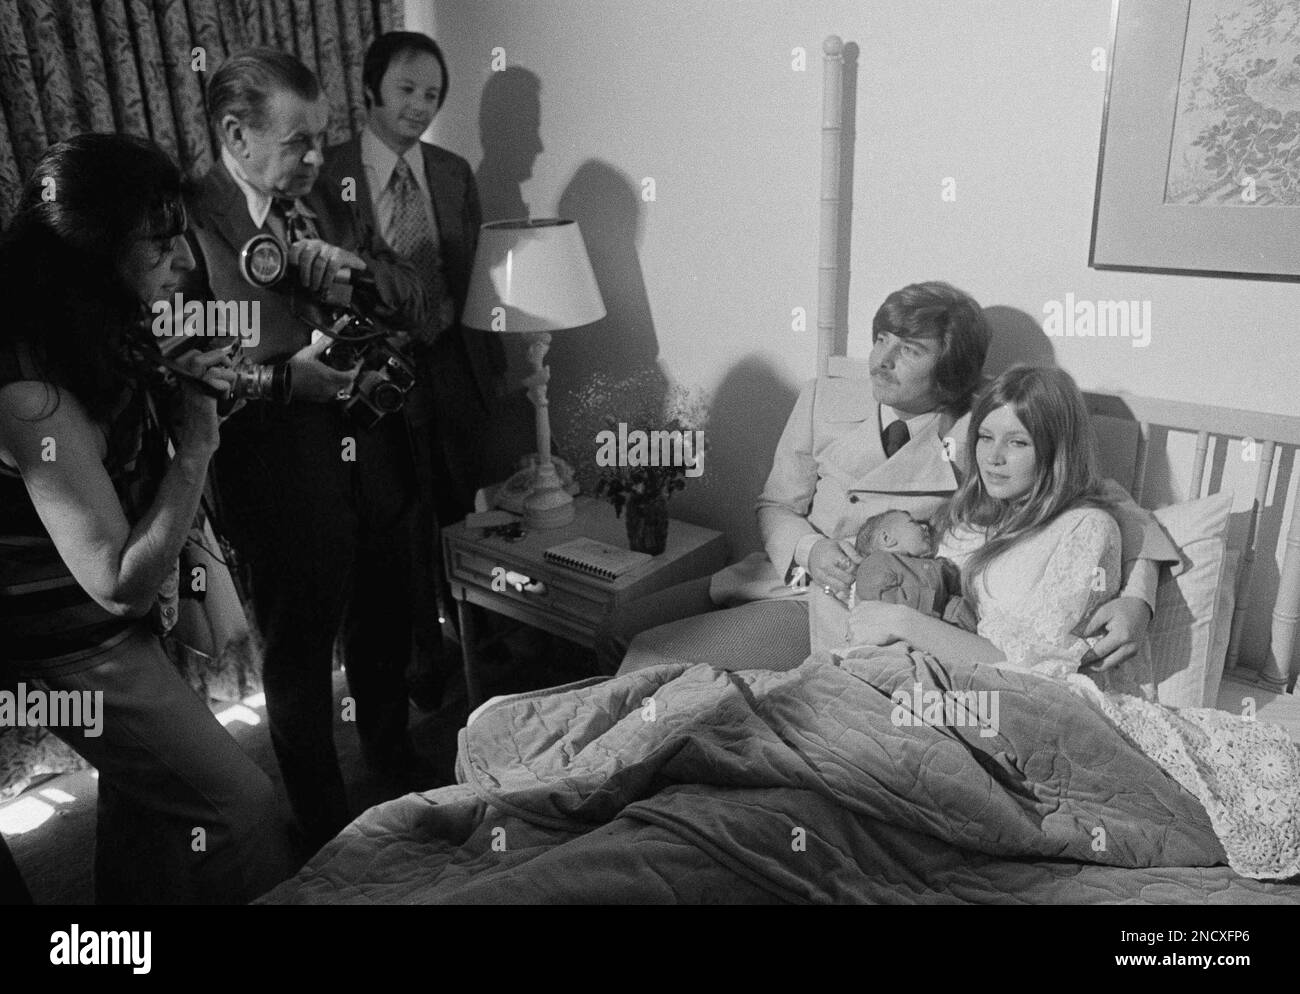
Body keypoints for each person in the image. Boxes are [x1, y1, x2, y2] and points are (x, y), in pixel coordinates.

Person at [845, 365, 1300, 879]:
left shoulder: (1087, 525)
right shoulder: (962, 516)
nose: (993, 457)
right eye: (986, 437)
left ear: (1054, 450)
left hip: (1014, 706)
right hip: (922, 690)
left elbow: (1030, 667)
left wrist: (1139, 593)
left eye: (1017, 442)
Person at [0, 133, 292, 903]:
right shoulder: (34, 399)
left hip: (112, 634)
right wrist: (195, 441)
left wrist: (188, 380)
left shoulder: (96, 328)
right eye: (160, 249)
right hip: (76, 648)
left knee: (147, 808)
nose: (187, 266)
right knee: (242, 807)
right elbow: (120, 585)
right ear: (91, 261)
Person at [605, 281, 1177, 674]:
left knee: (655, 656)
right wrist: (808, 547)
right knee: (616, 625)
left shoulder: (986, 421)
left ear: (951, 370)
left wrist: (1138, 598)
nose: (881, 360)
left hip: (842, 611)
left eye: (907, 349)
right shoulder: (823, 397)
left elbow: (1105, 502)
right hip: (784, 574)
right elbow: (774, 504)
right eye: (880, 338)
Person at [181, 48, 427, 852]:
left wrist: (355, 275)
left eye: (323, 138)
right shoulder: (184, 222)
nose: (320, 159)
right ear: (236, 135)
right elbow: (180, 363)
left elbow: (399, 288)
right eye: (300, 144)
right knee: (298, 650)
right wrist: (287, 381)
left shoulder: (329, 197)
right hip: (271, 468)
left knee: (386, 614)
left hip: (371, 446)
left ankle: (394, 765)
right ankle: (325, 828)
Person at [321, 30, 505, 708]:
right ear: (370, 89)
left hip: (450, 366)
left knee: (459, 513)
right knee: (395, 529)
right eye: (407, 89)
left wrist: (492, 376)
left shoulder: (454, 172)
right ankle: (412, 664)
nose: (420, 106)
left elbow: (479, 278)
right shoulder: (325, 173)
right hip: (373, 379)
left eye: (432, 94)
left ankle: (474, 648)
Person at [849, 509, 973, 631]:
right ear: (887, 538)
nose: (925, 526)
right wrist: (930, 600)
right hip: (914, 632)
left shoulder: (930, 563)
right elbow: (880, 600)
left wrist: (948, 570)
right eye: (913, 523)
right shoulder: (875, 564)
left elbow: (957, 586)